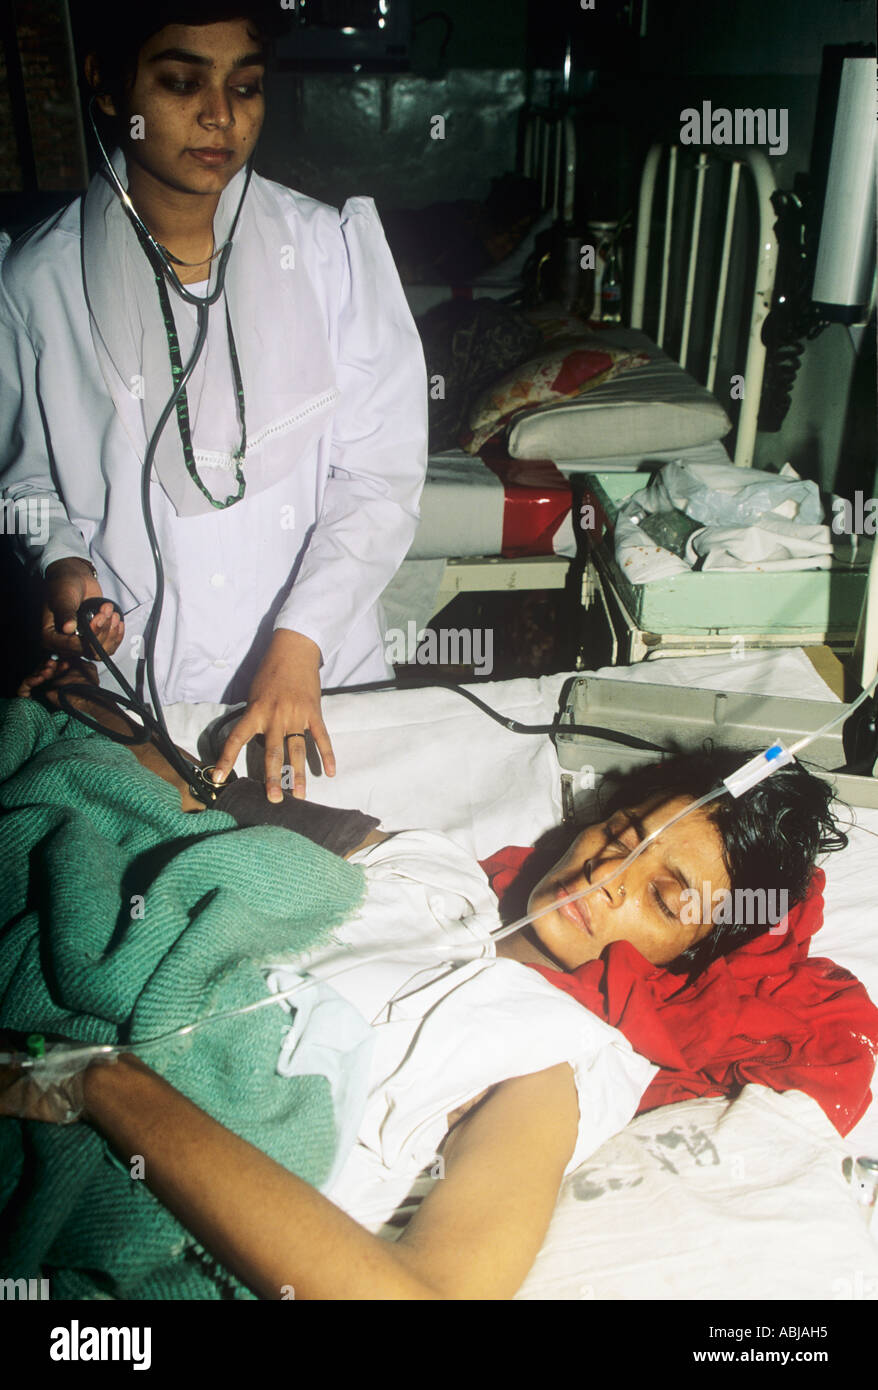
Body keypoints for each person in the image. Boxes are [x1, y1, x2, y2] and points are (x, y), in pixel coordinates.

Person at [0, 657, 857, 1300]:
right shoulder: (432, 869)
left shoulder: (552, 1062)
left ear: (685, 961)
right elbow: (197, 801)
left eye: (663, 898)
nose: (609, 874)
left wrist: (101, 1085)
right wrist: (82, 702)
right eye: (624, 830)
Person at [0, 4, 428, 803]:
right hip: (146, 684)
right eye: (179, 81)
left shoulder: (328, 253)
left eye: (247, 86)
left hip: (322, 672)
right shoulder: (34, 285)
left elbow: (379, 478)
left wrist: (300, 643)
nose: (221, 117)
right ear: (104, 84)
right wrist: (62, 563)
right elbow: (24, 483)